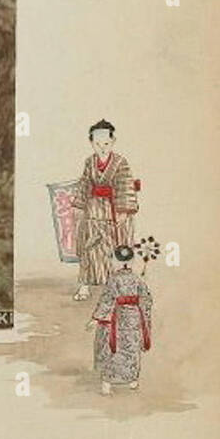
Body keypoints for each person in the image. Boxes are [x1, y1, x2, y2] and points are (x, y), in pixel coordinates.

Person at [70, 119, 138, 301]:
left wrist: (124, 210)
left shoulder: (120, 163)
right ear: (91, 142)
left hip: (113, 211)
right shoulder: (89, 162)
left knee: (113, 248)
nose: (102, 147)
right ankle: (85, 284)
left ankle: (113, 285)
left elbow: (125, 186)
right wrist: (79, 205)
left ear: (113, 141)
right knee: (89, 247)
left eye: (106, 143)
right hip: (92, 211)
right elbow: (84, 183)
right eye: (97, 143)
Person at [87, 244, 152, 395]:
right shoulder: (137, 279)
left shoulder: (113, 280)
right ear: (132, 261)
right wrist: (144, 317)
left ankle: (107, 384)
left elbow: (107, 300)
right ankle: (133, 381)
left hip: (116, 318)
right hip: (134, 317)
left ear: (116, 261)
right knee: (131, 347)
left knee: (111, 349)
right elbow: (147, 299)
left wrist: (96, 318)